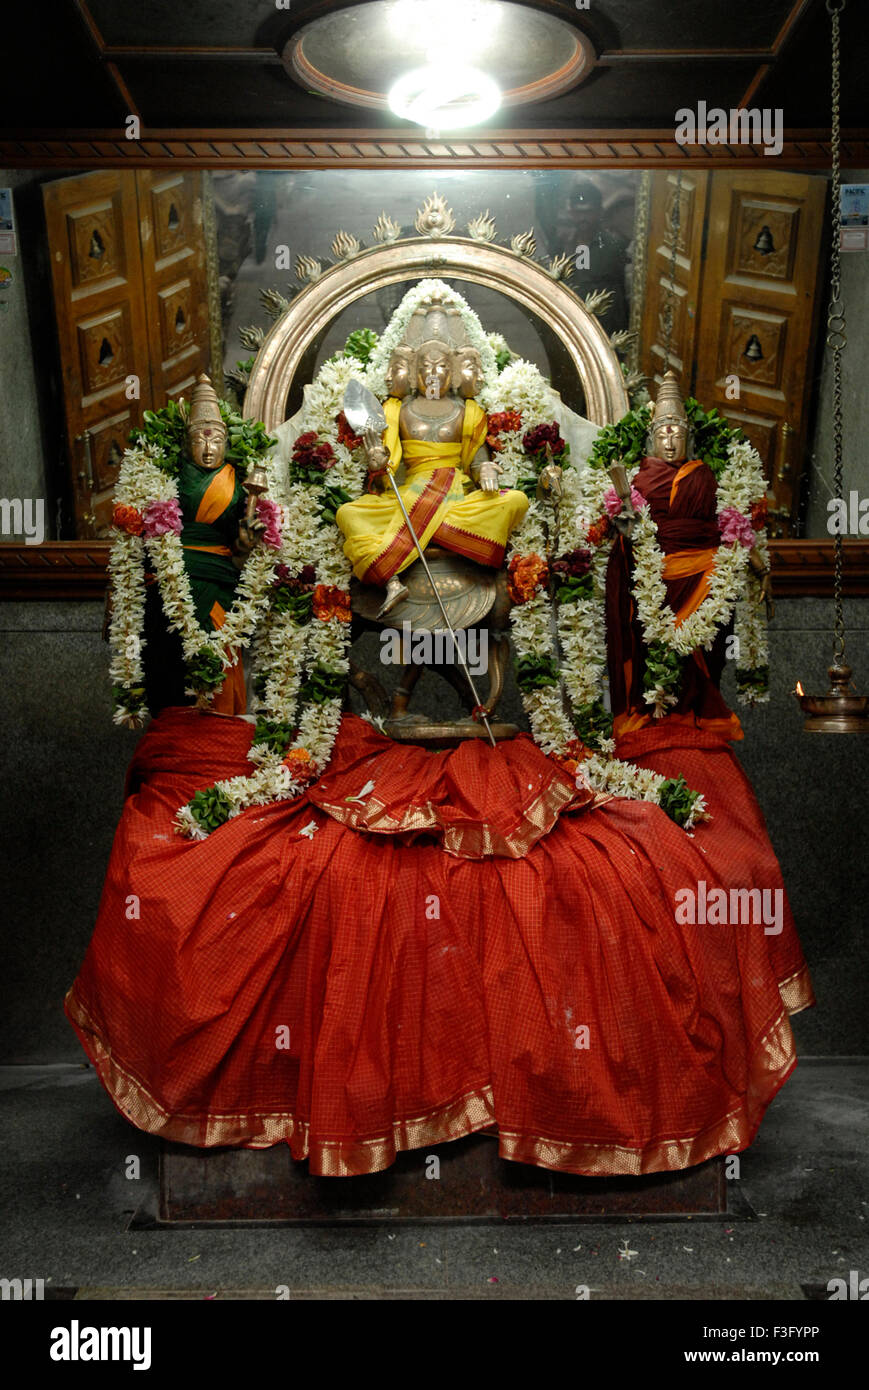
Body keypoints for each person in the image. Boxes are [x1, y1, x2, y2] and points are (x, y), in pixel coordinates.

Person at [335, 306, 528, 616]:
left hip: (455, 496)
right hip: (409, 495)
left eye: (441, 366)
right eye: (426, 366)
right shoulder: (398, 410)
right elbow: (388, 466)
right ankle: (414, 556)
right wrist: (377, 461)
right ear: (413, 372)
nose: (433, 373)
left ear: (453, 372)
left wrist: (487, 468)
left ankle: (425, 530)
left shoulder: (468, 411)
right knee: (348, 513)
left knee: (515, 500)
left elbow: (477, 462)